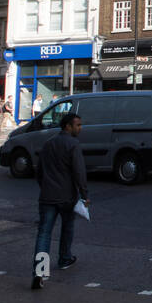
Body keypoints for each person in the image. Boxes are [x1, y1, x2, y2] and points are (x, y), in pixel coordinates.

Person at [32, 112, 89, 290]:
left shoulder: (48, 144)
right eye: (77, 125)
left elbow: (39, 172)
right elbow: (79, 172)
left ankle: (40, 272)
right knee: (67, 227)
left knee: (44, 233)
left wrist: (45, 187)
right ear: (67, 126)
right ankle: (64, 258)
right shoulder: (73, 145)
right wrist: (84, 194)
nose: (80, 128)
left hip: (47, 196)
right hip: (67, 196)